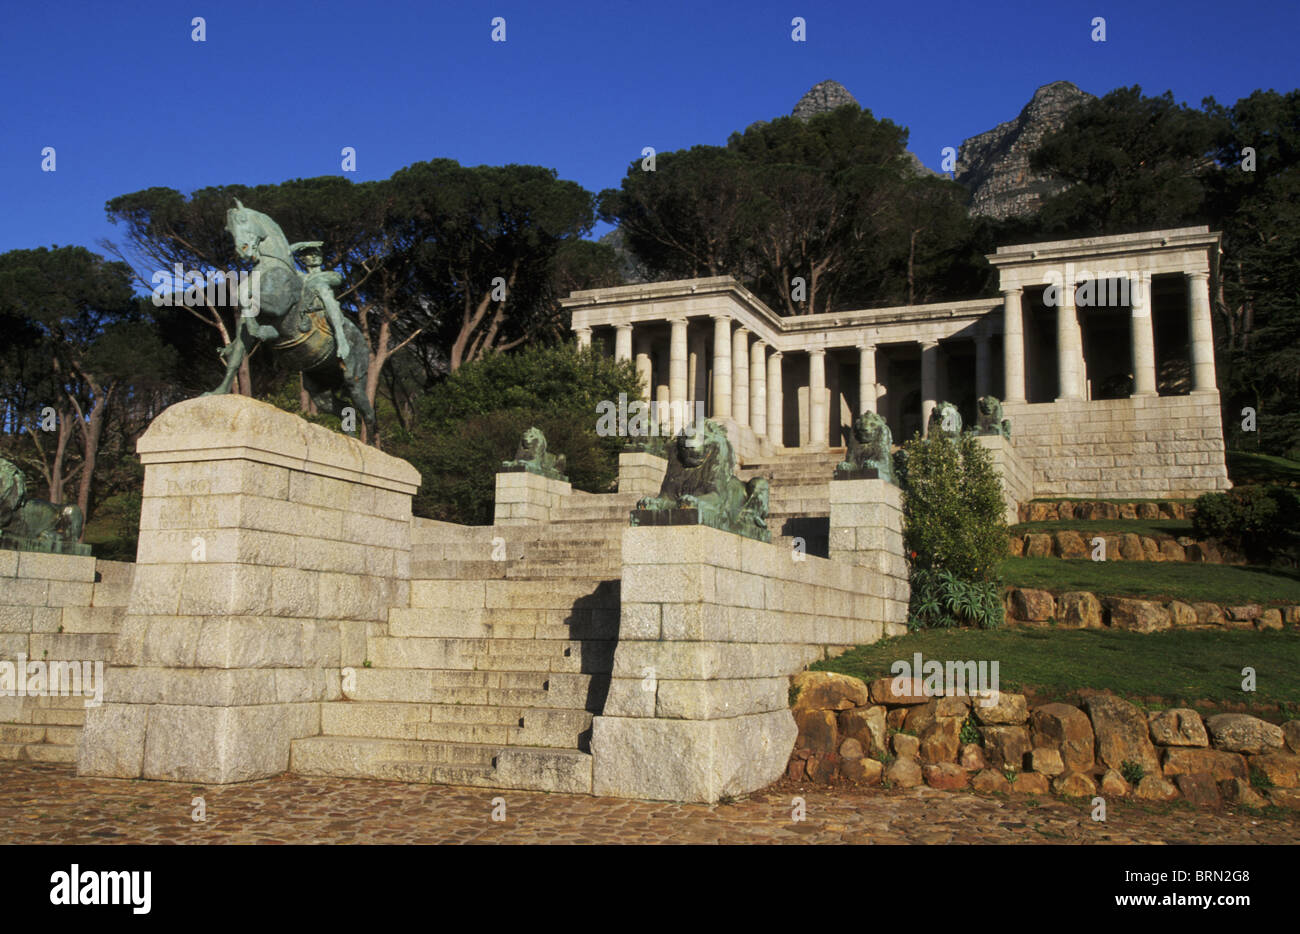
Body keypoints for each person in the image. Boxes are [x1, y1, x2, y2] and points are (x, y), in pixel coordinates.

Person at [289, 241, 350, 360]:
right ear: (302, 259)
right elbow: (284, 257)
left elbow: (335, 281)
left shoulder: (331, 275)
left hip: (323, 308)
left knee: (322, 288)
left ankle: (340, 336)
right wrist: (300, 245)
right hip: (303, 313)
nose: (314, 256)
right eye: (309, 253)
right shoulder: (301, 277)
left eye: (317, 253)